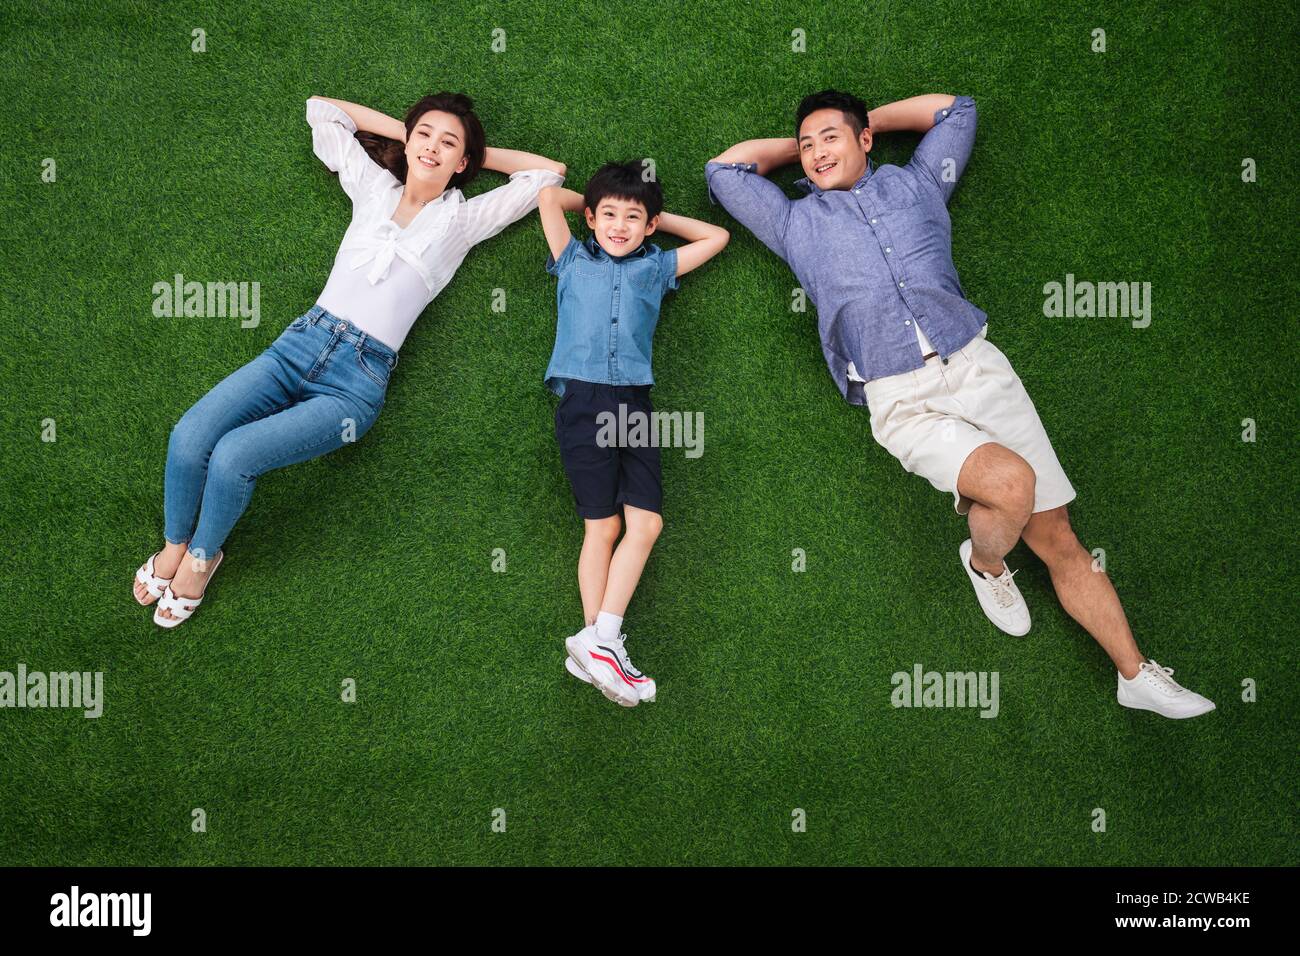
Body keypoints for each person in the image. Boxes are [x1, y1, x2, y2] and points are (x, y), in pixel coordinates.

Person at [705, 90, 1214, 718]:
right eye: (806, 146)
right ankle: (984, 561)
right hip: (901, 400)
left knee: (1058, 537)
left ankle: (1135, 675)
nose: (814, 153)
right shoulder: (792, 223)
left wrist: (864, 126)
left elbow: (957, 111)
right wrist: (814, 149)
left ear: (867, 140)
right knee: (1013, 484)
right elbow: (723, 172)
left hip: (976, 366)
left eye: (830, 138)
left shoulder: (920, 183)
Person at [133, 92, 565, 628]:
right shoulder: (373, 188)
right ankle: (176, 544)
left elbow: (549, 174)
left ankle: (202, 558)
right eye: (423, 134)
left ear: (463, 164)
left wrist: (472, 153)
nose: (431, 147)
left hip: (353, 386)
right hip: (296, 347)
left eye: (448, 143)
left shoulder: (463, 221)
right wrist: (413, 136)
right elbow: (321, 109)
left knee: (232, 458)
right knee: (190, 437)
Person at [537, 162, 729, 706]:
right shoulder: (572, 260)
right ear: (593, 218)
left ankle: (597, 643)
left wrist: (658, 220)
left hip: (635, 405)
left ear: (651, 225)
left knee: (646, 523)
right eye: (609, 216)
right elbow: (549, 197)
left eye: (634, 217)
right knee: (602, 528)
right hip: (584, 401)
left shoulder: (656, 267)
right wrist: (593, 208)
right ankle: (602, 644)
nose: (620, 225)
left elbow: (717, 236)